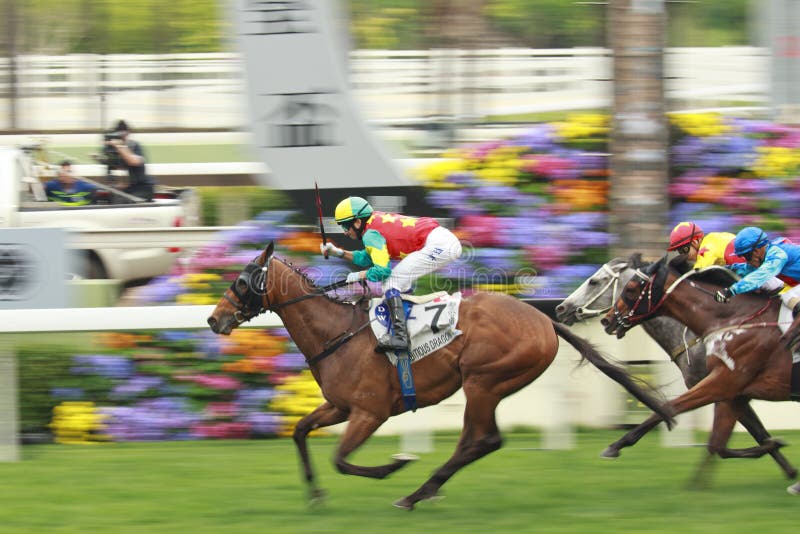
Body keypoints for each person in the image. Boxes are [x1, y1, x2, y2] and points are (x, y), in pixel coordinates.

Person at [320, 196, 462, 353]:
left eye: (345, 226)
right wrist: (338, 252)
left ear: (357, 222)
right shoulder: (373, 223)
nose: (345, 232)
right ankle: (411, 325)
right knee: (400, 283)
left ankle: (401, 338)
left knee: (391, 283)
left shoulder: (370, 234)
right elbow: (367, 257)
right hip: (441, 240)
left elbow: (382, 271)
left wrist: (359, 275)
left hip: (438, 245)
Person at [105, 120, 154, 201]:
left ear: (127, 133)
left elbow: (133, 161)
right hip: (130, 188)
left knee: (125, 201)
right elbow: (118, 168)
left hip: (143, 188)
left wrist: (119, 145)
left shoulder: (134, 146)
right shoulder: (118, 149)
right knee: (112, 199)